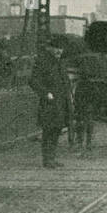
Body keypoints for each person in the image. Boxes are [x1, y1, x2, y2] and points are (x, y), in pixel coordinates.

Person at [29, 37, 71, 169]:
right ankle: (47, 159)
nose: (59, 51)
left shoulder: (60, 62)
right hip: (49, 102)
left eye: (61, 49)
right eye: (57, 48)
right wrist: (45, 93)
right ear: (51, 48)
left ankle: (52, 158)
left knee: (57, 129)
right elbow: (33, 81)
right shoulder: (42, 61)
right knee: (48, 130)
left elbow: (65, 81)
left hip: (61, 102)